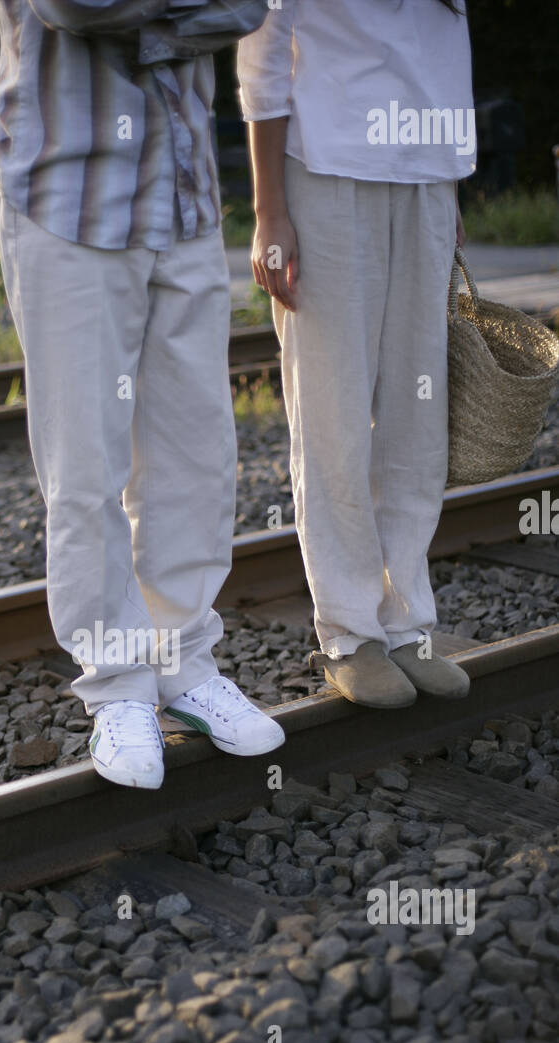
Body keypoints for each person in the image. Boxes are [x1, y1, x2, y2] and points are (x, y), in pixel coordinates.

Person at [0, 0, 286, 789]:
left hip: (184, 200)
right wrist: (188, 15)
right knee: (85, 469)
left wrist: (151, 21)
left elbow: (248, 6)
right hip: (67, 195)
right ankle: (118, 685)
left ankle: (183, 662)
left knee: (198, 454)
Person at [238, 0, 476, 708]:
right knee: (333, 409)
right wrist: (269, 209)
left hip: (426, 168)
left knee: (416, 414)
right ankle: (348, 631)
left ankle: (407, 623)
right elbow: (265, 46)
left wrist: (445, 176)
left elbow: (439, 44)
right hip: (328, 164)